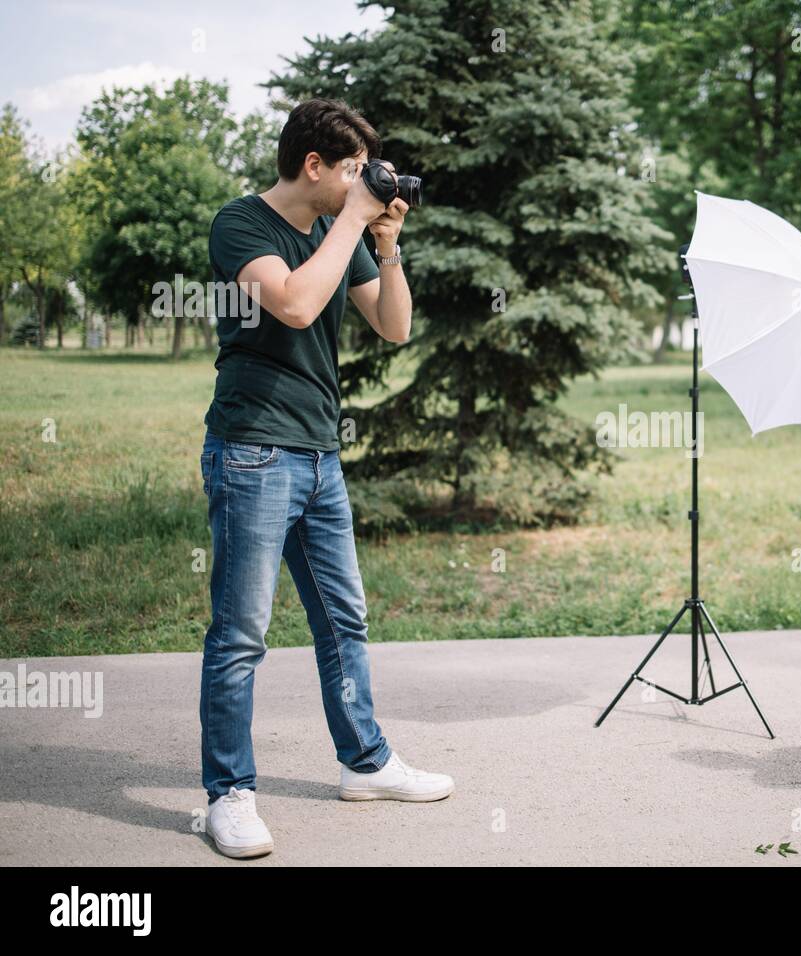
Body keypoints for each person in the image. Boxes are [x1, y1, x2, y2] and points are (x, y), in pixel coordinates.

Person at [198, 98, 452, 859]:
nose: (360, 185)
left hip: (317, 456)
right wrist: (350, 225)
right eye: (351, 171)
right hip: (253, 452)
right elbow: (297, 305)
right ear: (314, 165)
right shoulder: (240, 224)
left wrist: (390, 241)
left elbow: (396, 326)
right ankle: (230, 795)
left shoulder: (344, 231)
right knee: (241, 633)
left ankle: (366, 762)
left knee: (344, 621)